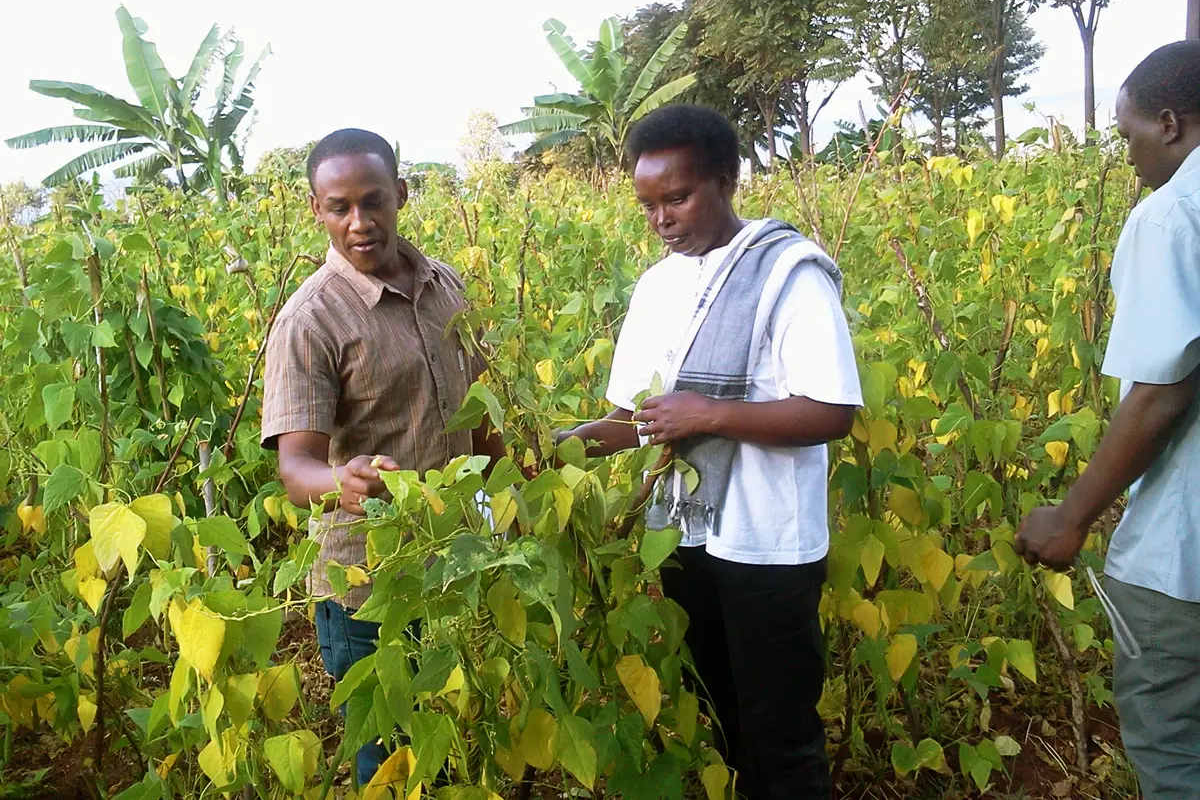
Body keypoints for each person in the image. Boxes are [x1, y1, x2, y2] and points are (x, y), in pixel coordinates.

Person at [559, 104, 862, 800]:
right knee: (722, 715)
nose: (661, 219)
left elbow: (832, 411)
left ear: (726, 181)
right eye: (648, 205)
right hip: (687, 536)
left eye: (677, 198)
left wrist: (713, 414)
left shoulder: (788, 275)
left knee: (780, 734)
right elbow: (637, 422)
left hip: (769, 544)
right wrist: (558, 452)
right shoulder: (658, 286)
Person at [261, 128, 505, 786]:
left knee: (458, 740)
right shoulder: (310, 321)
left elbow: (484, 414)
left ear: (400, 193)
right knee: (391, 760)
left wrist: (517, 497)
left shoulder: (446, 285)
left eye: (373, 201)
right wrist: (339, 481)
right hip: (368, 588)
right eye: (339, 207)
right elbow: (296, 468)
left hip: (458, 561)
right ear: (316, 209)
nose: (359, 222)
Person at [1016, 41, 1200, 798]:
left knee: (1174, 753)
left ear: (1169, 124)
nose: (1127, 156)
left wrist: (1070, 517)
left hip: (1183, 562)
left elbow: (1161, 392)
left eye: (1128, 135)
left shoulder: (1173, 216)